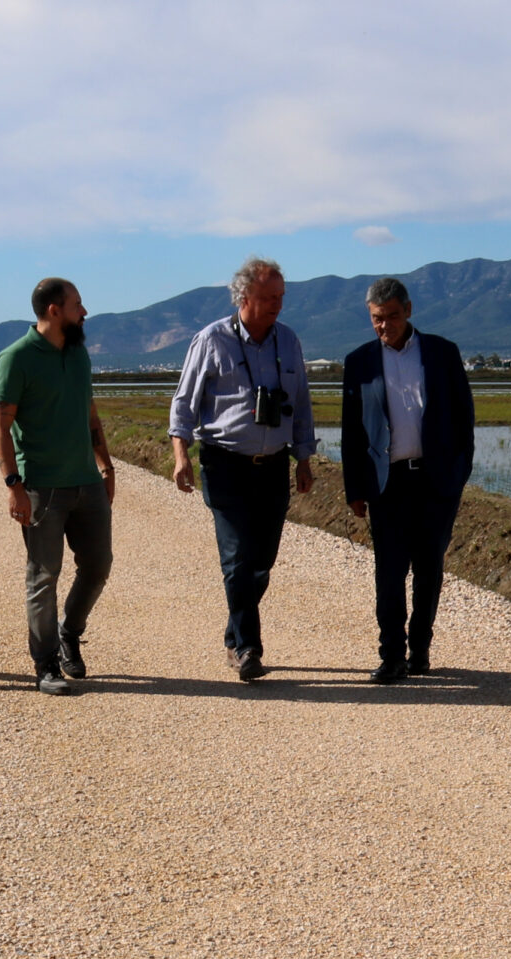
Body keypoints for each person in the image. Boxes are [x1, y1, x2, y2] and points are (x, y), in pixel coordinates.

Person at [168, 256, 317, 681]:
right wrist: (181, 456)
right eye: (269, 297)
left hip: (272, 468)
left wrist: (303, 459)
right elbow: (183, 405)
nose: (277, 305)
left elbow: (302, 404)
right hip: (225, 464)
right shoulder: (211, 339)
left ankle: (235, 631)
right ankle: (249, 648)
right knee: (236, 559)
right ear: (244, 296)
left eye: (281, 297)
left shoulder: (288, 341)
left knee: (261, 563)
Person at [341, 276, 475, 683]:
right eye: (378, 320)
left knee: (429, 569)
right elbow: (352, 432)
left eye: (393, 317)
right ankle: (391, 655)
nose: (386, 326)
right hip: (387, 483)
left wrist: (457, 475)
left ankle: (420, 649)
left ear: (409, 310)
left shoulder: (442, 354)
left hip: (436, 483)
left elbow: (463, 419)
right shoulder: (359, 362)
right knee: (389, 571)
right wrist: (355, 488)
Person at [0, 277, 115, 696]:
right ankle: (45, 666)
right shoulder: (16, 358)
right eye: (78, 304)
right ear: (54, 310)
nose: (85, 311)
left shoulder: (79, 353)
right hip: (42, 487)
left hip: (87, 483)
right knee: (44, 576)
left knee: (98, 566)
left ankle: (69, 632)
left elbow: (89, 410)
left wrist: (106, 464)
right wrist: (14, 485)